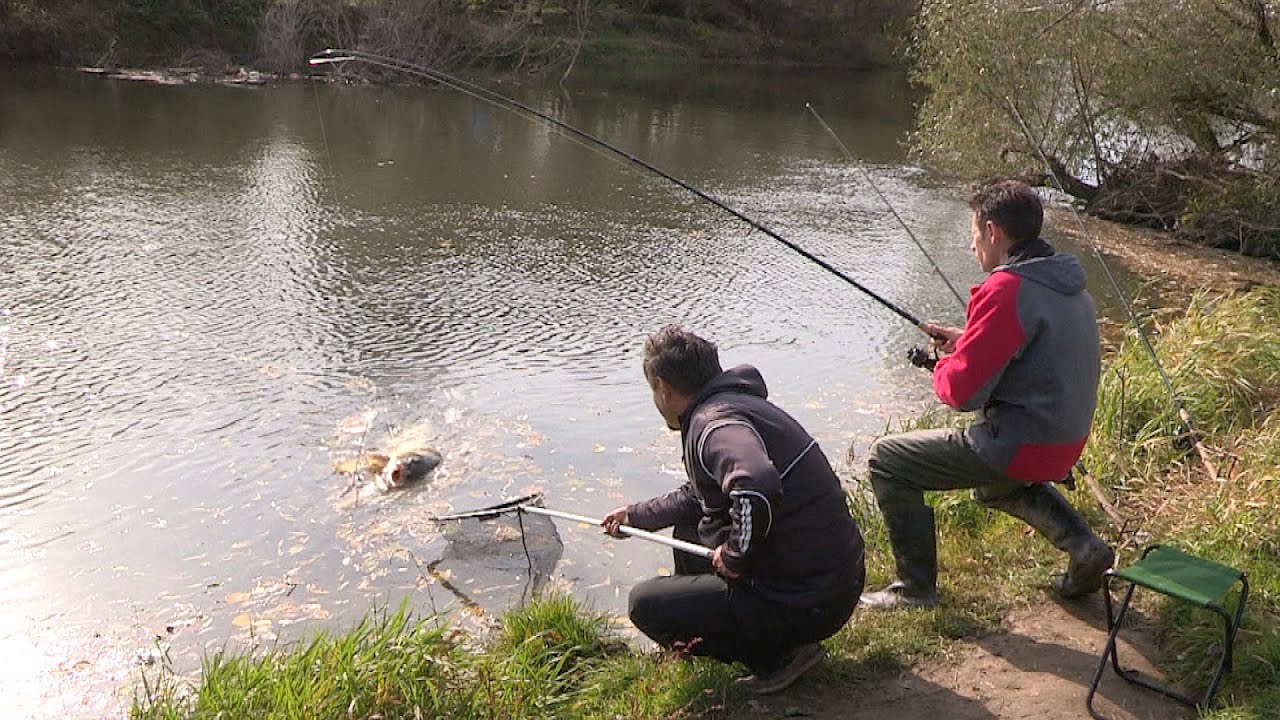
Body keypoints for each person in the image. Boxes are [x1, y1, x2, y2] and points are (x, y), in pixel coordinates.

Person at [860, 179, 1114, 609]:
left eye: (975, 235)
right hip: (1066, 440)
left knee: (887, 459)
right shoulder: (1069, 285)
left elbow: (963, 394)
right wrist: (966, 339)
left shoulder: (1007, 289)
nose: (972, 245)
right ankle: (1085, 547)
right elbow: (1032, 350)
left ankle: (914, 588)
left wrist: (940, 367)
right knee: (995, 487)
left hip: (1023, 444)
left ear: (994, 233)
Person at [602, 325, 864, 694]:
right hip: (833, 580)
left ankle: (777, 658)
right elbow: (700, 495)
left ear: (663, 386)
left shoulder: (713, 424)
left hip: (810, 598)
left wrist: (737, 556)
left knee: (643, 604)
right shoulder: (733, 404)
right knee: (689, 530)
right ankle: (705, 640)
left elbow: (756, 484)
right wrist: (634, 515)